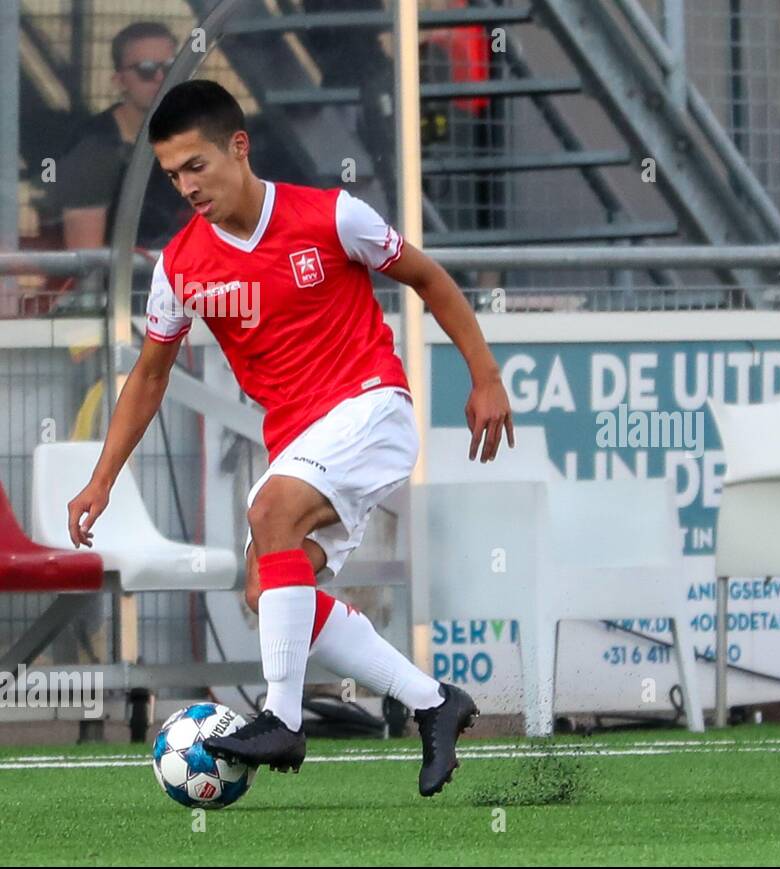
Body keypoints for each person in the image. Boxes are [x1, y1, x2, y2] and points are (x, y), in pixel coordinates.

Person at [65, 80, 513, 796]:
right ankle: (433, 703)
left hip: (372, 407)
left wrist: (484, 376)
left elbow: (427, 277)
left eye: (196, 166)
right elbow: (148, 378)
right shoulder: (180, 266)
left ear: (237, 147)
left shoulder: (332, 215)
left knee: (269, 512)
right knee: (269, 583)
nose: (186, 186)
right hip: (302, 437)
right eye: (173, 174)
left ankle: (280, 717)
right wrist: (101, 478)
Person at [45, 21, 191, 250]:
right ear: (119, 81)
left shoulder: (197, 135)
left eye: (171, 67)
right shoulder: (93, 148)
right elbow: (88, 259)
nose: (161, 78)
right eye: (146, 69)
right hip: (125, 281)